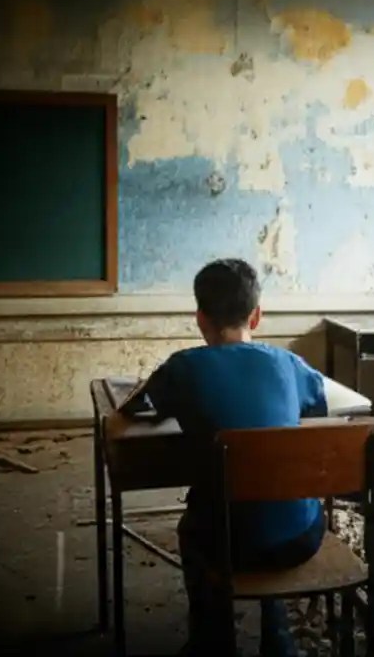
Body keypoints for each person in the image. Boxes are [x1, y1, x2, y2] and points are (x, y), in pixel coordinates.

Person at [137, 258, 327, 656]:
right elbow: (317, 404)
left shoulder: (184, 367)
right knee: (270, 498)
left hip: (224, 543)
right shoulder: (288, 363)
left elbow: (139, 407)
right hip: (299, 539)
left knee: (196, 526)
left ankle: (213, 641)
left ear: (199, 318)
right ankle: (277, 636)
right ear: (256, 316)